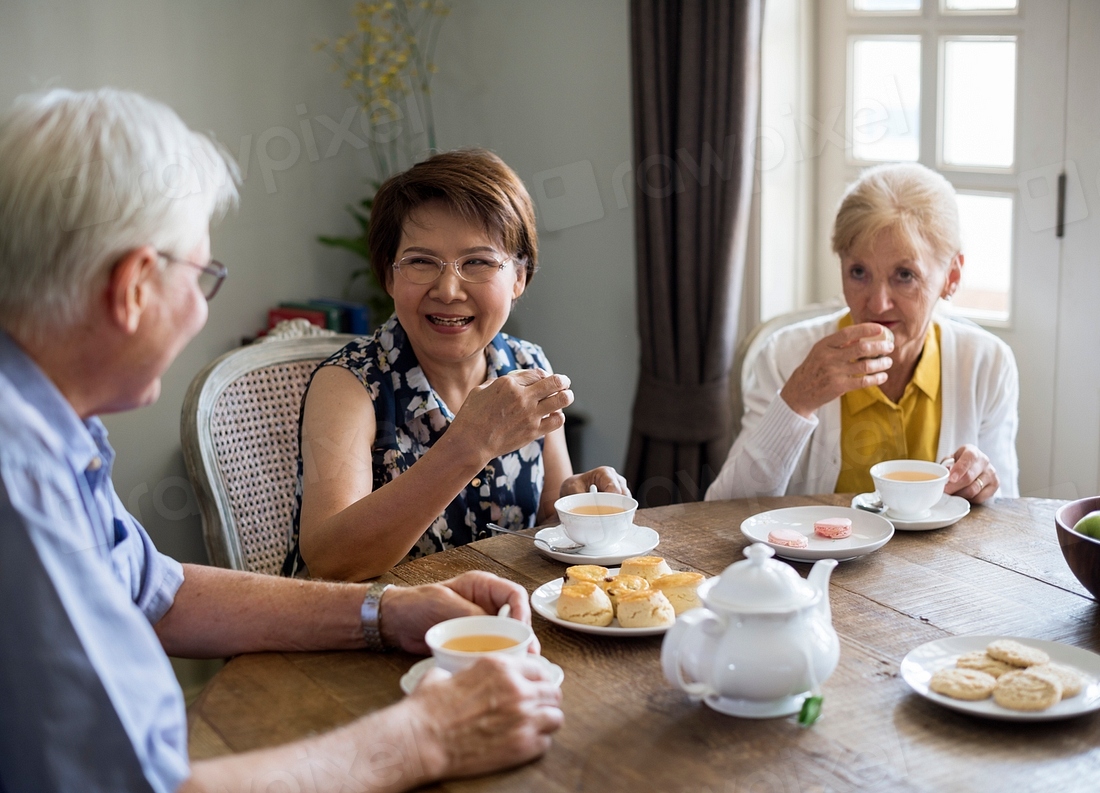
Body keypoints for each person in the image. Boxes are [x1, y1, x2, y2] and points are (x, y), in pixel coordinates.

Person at [0, 88, 562, 793]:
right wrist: (423, 736)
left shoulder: (50, 429)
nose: (202, 310)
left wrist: (387, 611)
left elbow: (158, 591)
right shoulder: (19, 476)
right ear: (135, 286)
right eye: (202, 276)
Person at [283, 149, 628, 581]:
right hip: (371, 632)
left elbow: (547, 519)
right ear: (389, 276)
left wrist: (576, 502)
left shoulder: (526, 365)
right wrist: (470, 444)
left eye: (478, 262)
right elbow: (332, 562)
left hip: (501, 627)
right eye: (422, 262)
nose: (448, 290)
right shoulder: (351, 384)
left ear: (519, 276)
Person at [706, 163, 1019, 502]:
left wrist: (981, 487)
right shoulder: (785, 355)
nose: (878, 303)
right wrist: (797, 401)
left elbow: (1003, 520)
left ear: (951, 277)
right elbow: (724, 509)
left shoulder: (987, 365)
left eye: (904, 275)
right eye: (858, 272)